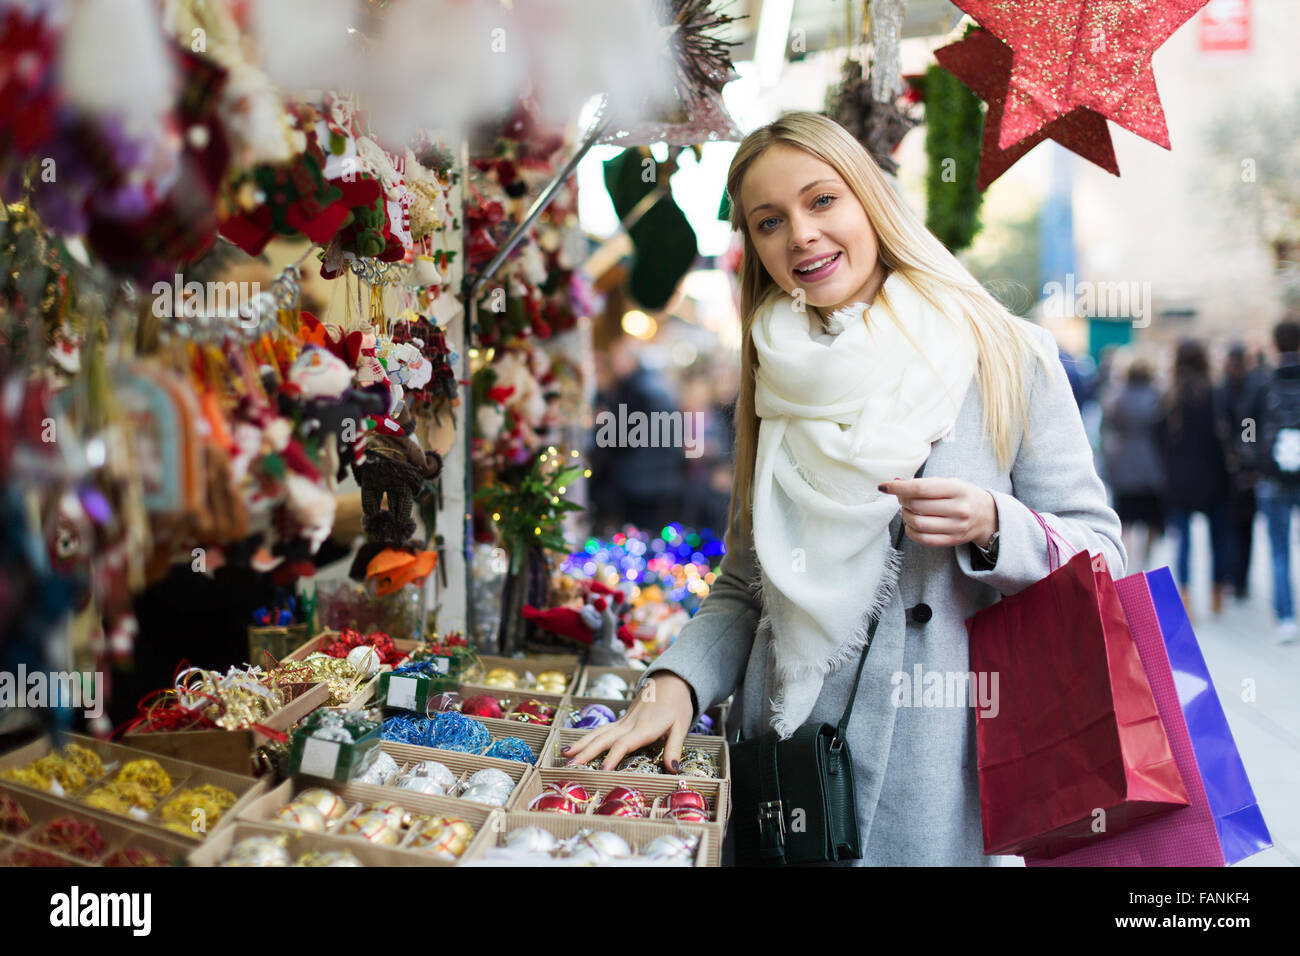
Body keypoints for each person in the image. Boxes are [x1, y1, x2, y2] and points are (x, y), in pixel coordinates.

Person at [561, 111, 1126, 866]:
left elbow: (1102, 554)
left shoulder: (1000, 350)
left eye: (822, 200)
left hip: (934, 764)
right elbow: (744, 587)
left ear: (869, 200)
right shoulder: (771, 376)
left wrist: (995, 523)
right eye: (769, 221)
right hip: (784, 762)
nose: (800, 234)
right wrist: (679, 682)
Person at [1154, 339, 1236, 619]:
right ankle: (1216, 593)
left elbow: (1157, 438)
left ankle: (1186, 598)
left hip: (1179, 479)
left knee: (1184, 542)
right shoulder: (1217, 393)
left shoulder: (1169, 396)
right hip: (1215, 476)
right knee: (1219, 539)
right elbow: (1243, 427)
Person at [1243, 318, 1300, 643]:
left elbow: (1247, 421)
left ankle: (1286, 617)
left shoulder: (1263, 383)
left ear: (1276, 345)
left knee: (1279, 549)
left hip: (1273, 478)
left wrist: (1253, 456)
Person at [1101, 357, 1166, 572]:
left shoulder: (1116, 397)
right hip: (1152, 465)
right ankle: (1145, 562)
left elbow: (1108, 427)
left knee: (1125, 521)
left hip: (1123, 464)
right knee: (1152, 521)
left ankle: (1126, 564)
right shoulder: (1159, 399)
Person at [1219, 343, 1266, 600]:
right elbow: (1249, 424)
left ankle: (1234, 577)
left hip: (1233, 467)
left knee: (1234, 524)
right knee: (1242, 527)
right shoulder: (1251, 386)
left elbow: (1244, 424)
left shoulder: (1228, 388)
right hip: (1243, 467)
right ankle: (1239, 578)